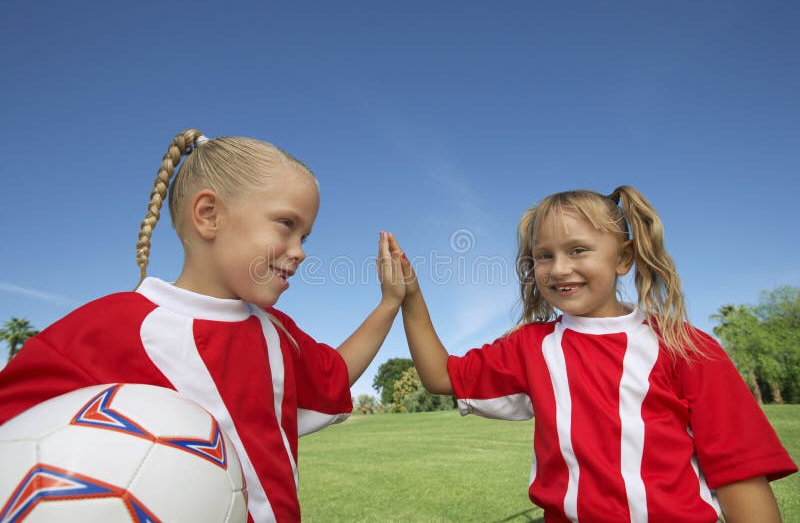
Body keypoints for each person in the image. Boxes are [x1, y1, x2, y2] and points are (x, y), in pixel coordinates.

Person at [0, 129, 406, 523]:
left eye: (306, 236)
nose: (300, 252)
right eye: (286, 224)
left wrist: (389, 303)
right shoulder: (103, 330)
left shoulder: (277, 333)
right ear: (209, 215)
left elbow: (333, 376)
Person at [395, 186, 797, 522]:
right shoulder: (529, 347)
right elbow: (441, 376)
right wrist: (410, 296)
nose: (558, 269)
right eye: (544, 255)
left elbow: (739, 471)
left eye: (577, 250)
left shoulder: (685, 346)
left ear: (623, 257)